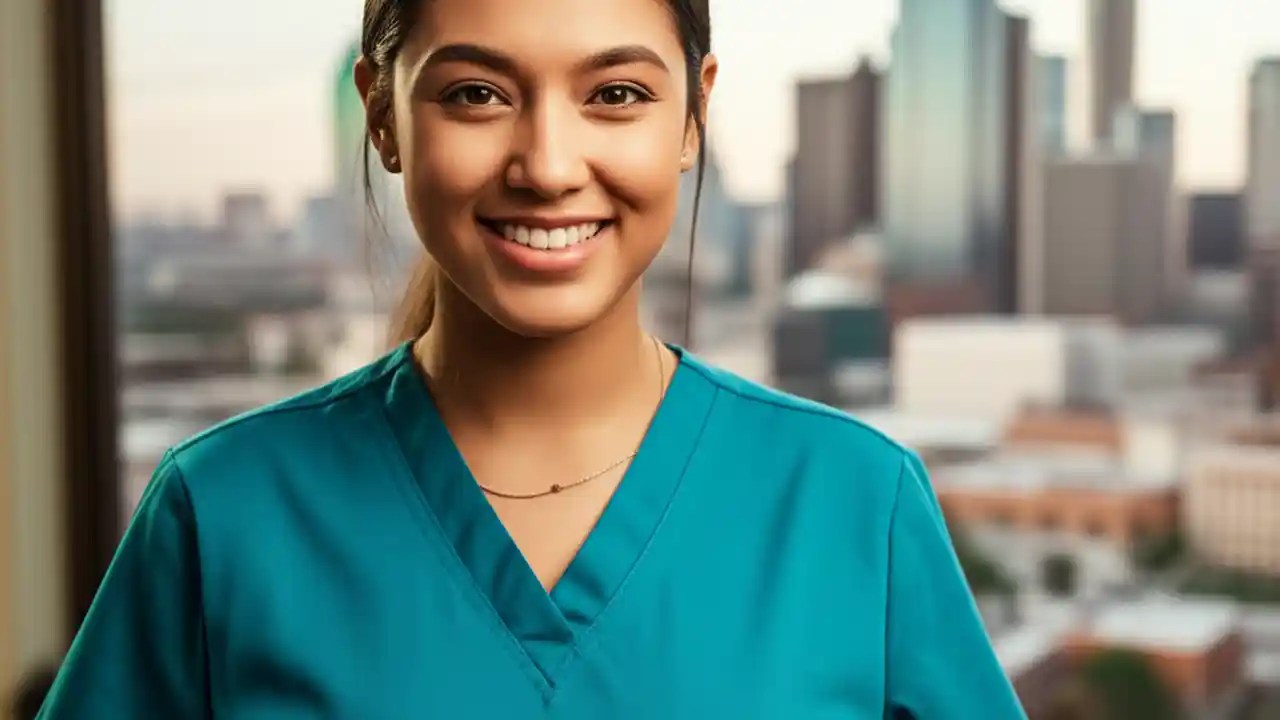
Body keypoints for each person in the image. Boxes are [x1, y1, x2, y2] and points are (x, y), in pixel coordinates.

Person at [37, 0, 1026, 717]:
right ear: (382, 113)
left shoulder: (854, 506)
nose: (547, 166)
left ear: (692, 115)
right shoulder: (222, 514)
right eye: (475, 93)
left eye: (616, 93)